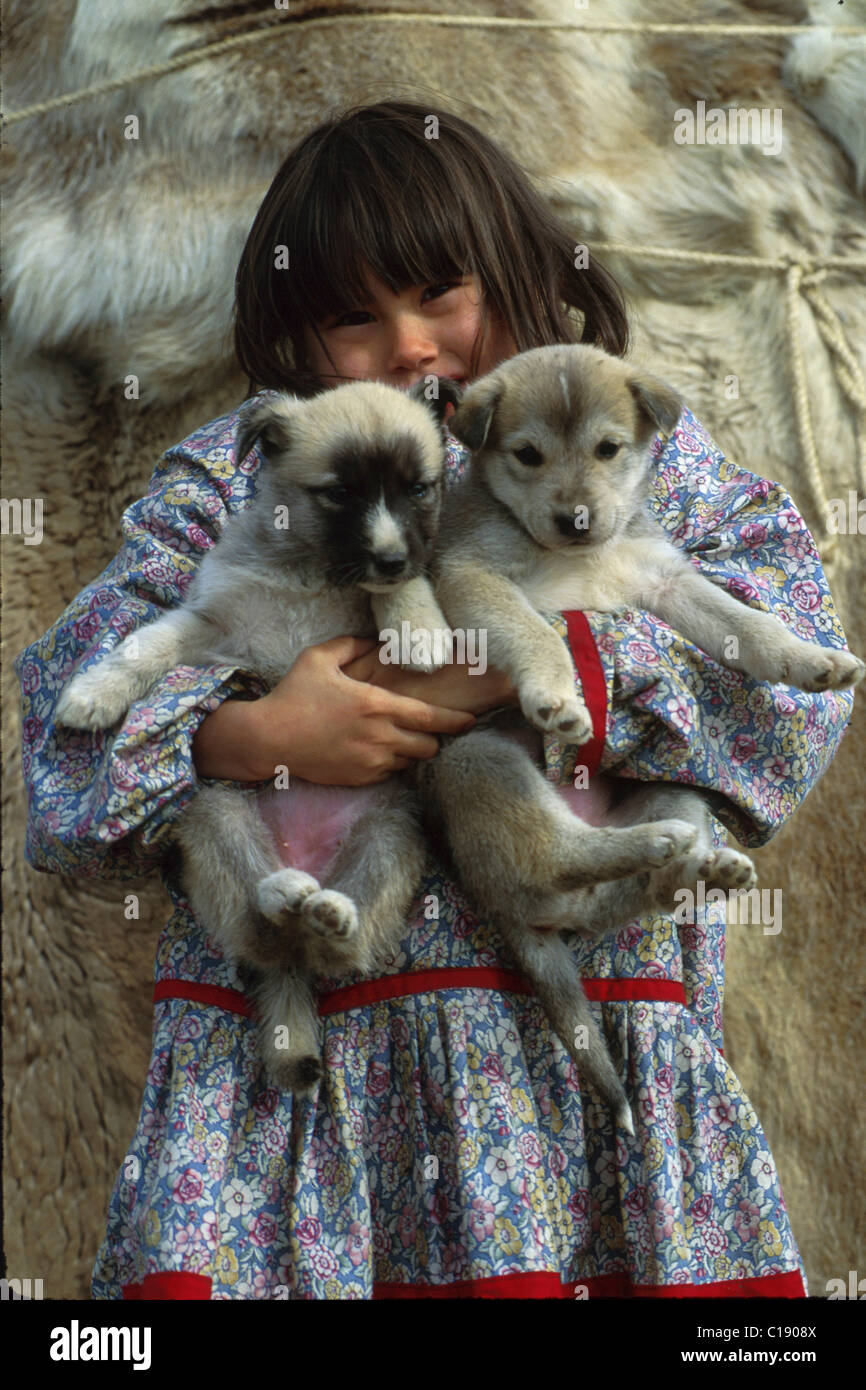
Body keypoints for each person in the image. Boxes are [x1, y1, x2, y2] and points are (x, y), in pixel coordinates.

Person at [15, 100, 855, 1300]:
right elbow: (66, 728)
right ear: (294, 338)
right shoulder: (239, 474)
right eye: (354, 315)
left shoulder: (626, 452)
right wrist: (245, 734)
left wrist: (513, 662)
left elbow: (790, 685)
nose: (409, 347)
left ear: (517, 271)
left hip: (577, 1062)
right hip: (302, 1102)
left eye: (438, 293)